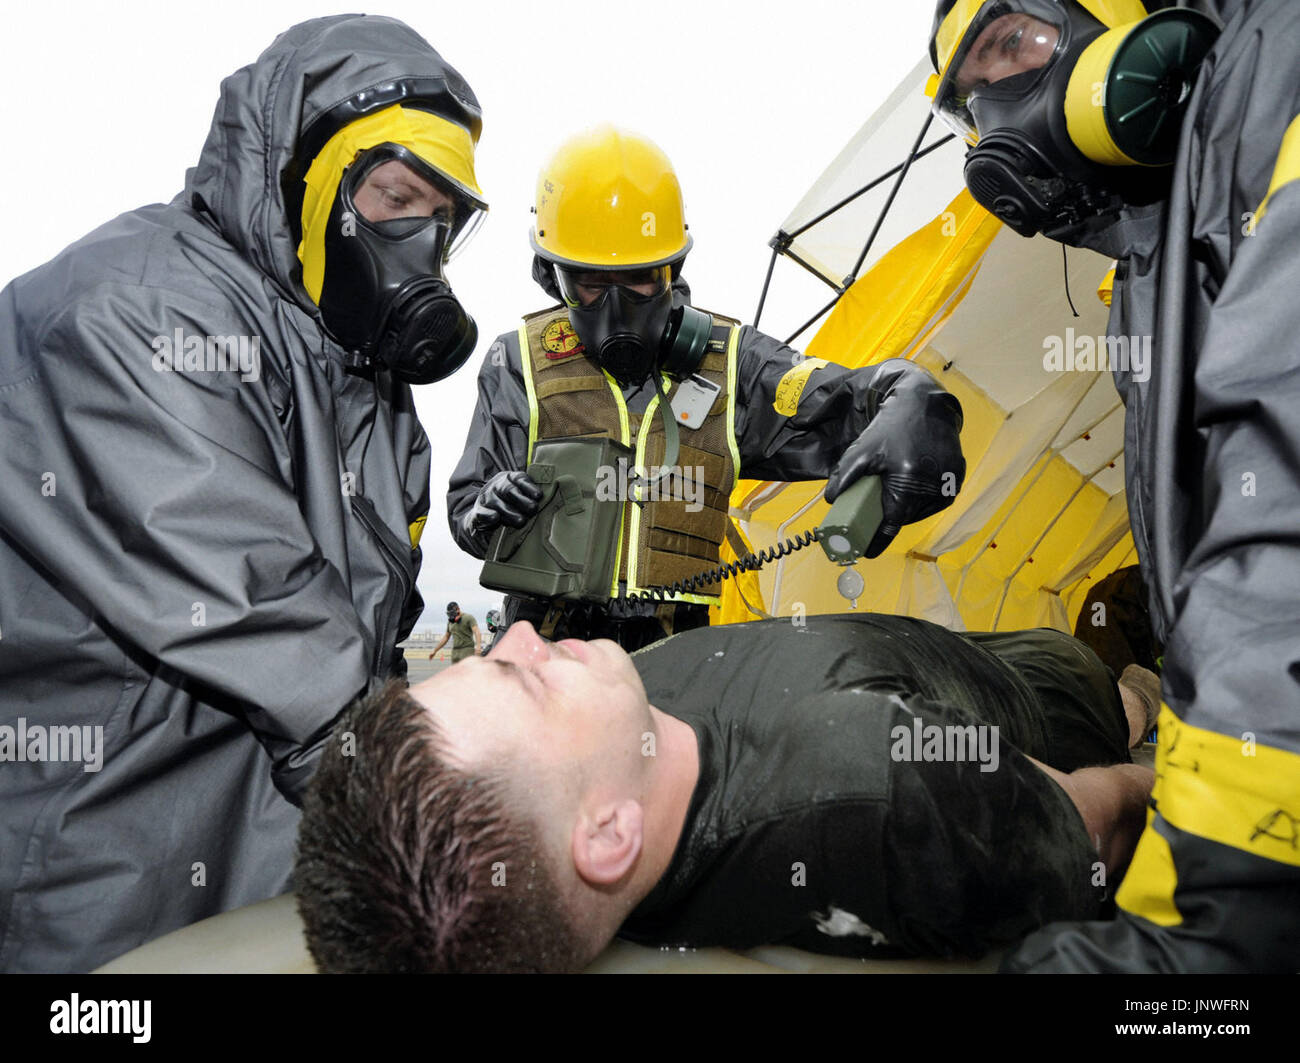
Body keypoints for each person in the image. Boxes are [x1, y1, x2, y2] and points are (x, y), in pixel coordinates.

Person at [0, 15, 487, 972]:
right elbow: (296, 657)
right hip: (103, 885)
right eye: (394, 197)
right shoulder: (136, 307)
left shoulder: (362, 382)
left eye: (443, 220)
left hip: (265, 872)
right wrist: (516, 829)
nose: (418, 244)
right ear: (304, 178)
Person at [926, 0, 1300, 971]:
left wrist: (1216, 890)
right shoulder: (1147, 252)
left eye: (1010, 45)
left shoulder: (1273, 66)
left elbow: (1280, 494)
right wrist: (1139, 795)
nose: (997, 122)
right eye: (970, 104)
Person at [295, 615, 1158, 973]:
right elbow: (1098, 818)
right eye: (523, 680)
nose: (522, 631)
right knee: (1120, 682)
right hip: (1050, 694)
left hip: (928, 653)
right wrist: (1166, 764)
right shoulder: (877, 785)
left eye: (492, 655)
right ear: (606, 835)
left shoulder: (613, 720)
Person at [447, 127, 967, 651]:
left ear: (673, 268)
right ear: (550, 273)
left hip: (676, 656)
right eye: (590, 282)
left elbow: (840, 399)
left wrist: (911, 396)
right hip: (543, 652)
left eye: (640, 279)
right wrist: (485, 509)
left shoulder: (733, 362)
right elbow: (466, 508)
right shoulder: (516, 362)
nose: (617, 305)